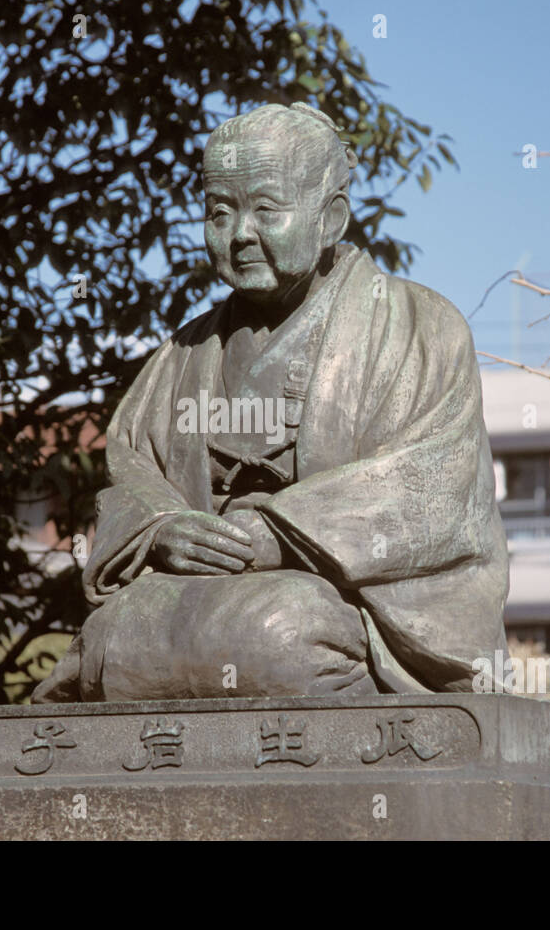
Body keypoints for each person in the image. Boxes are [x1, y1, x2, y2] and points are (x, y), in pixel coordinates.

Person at [33, 102, 509, 702]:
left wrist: (278, 534)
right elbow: (132, 468)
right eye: (219, 212)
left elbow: (434, 489)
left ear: (331, 217)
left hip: (337, 596)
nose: (240, 234)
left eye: (266, 209)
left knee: (280, 634)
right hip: (197, 588)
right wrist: (161, 530)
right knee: (116, 636)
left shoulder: (418, 328)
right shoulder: (182, 353)